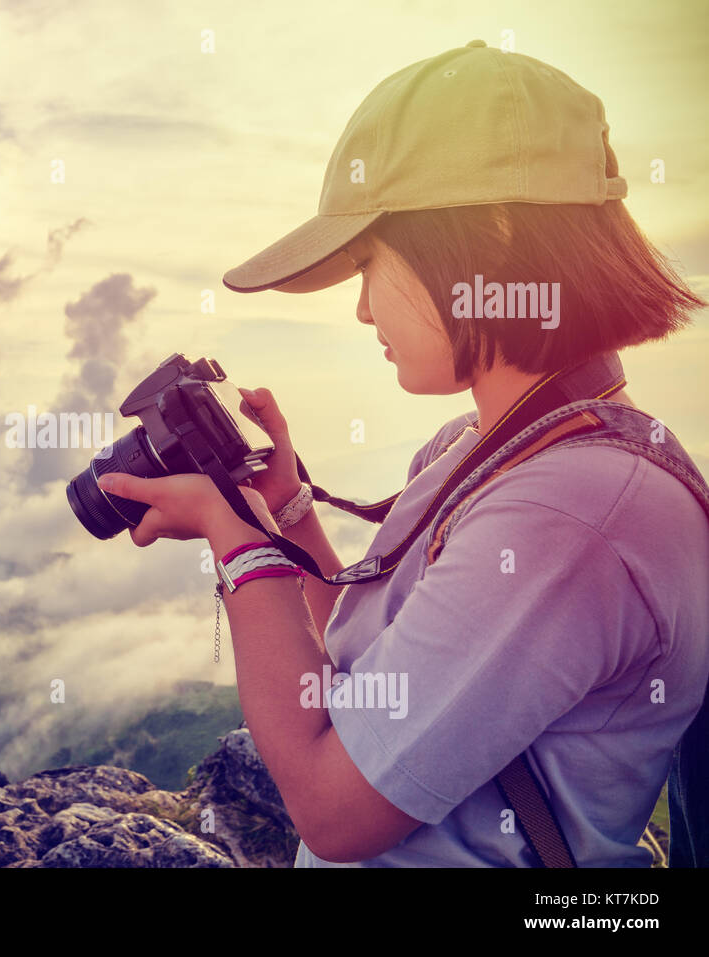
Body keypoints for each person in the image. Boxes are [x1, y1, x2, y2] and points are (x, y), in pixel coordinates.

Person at [94, 41, 709, 865]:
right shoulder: (484, 449)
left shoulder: (572, 512)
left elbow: (333, 811)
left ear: (490, 239)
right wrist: (285, 515)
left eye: (366, 263)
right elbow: (371, 681)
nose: (358, 308)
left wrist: (236, 541)